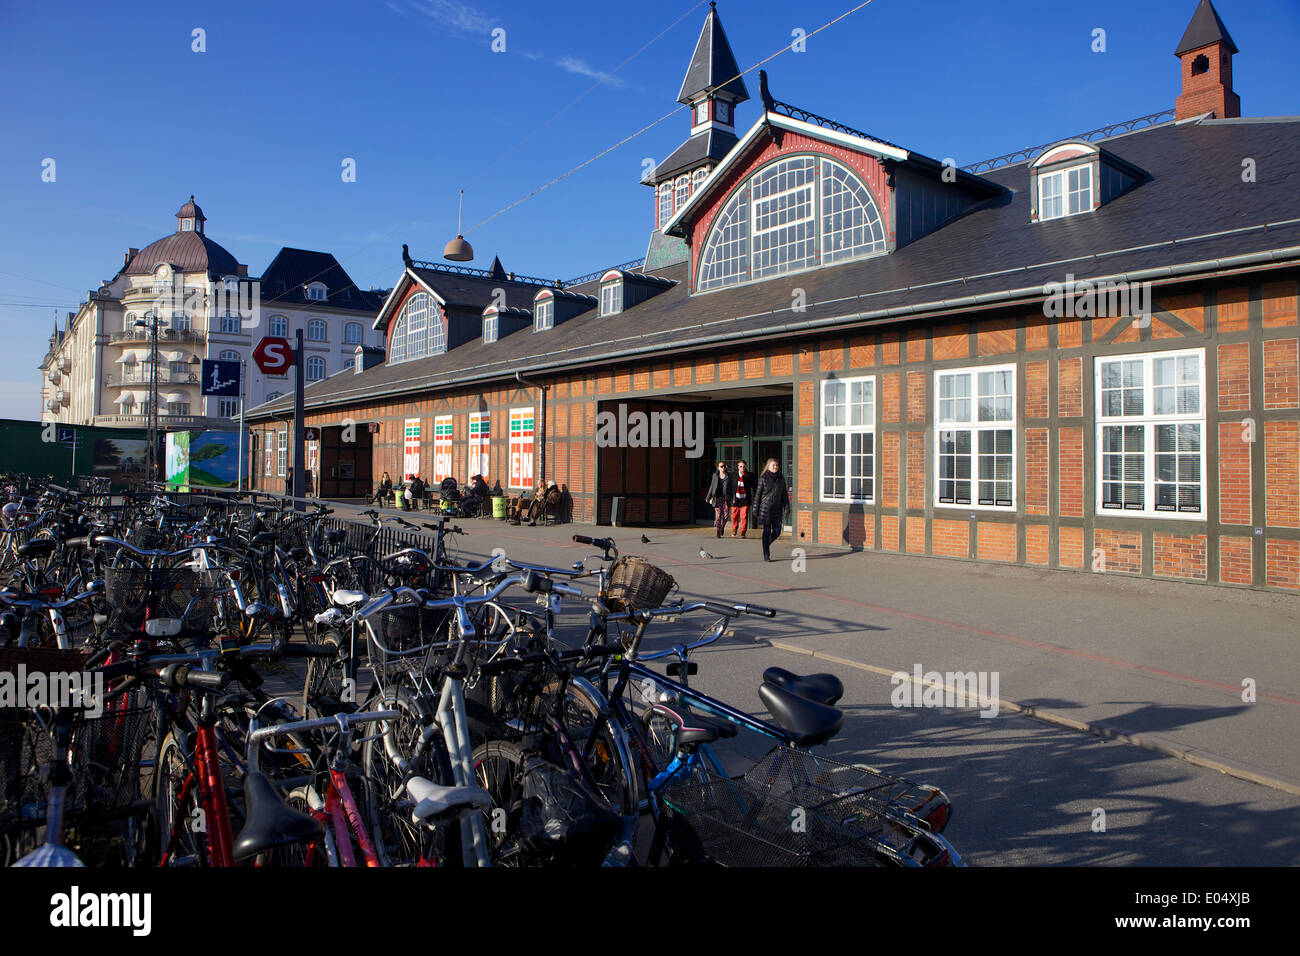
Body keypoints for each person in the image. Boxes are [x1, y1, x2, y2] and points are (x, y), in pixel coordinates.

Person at [752, 458, 790, 562]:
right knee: (767, 531)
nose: (775, 467)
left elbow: (785, 495)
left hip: (777, 509)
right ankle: (766, 554)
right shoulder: (763, 478)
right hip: (766, 509)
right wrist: (755, 509)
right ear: (768, 466)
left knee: (777, 532)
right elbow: (758, 495)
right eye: (773, 465)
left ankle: (766, 544)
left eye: (777, 465)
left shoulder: (781, 478)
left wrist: (787, 507)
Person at [704, 461, 733, 539]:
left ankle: (722, 526)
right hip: (717, 498)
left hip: (726, 498)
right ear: (718, 468)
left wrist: (733, 498)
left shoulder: (729, 475)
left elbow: (732, 487)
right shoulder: (715, 475)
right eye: (721, 466)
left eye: (724, 466)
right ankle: (718, 531)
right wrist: (708, 497)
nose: (723, 467)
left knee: (726, 516)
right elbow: (711, 486)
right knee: (718, 516)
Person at [730, 460, 751, 538]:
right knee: (734, 516)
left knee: (744, 516)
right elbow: (730, 487)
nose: (742, 468)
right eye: (740, 466)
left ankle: (743, 531)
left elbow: (754, 486)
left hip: (745, 499)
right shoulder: (733, 475)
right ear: (738, 467)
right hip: (735, 499)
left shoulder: (749, 475)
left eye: (744, 466)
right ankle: (734, 529)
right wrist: (731, 497)